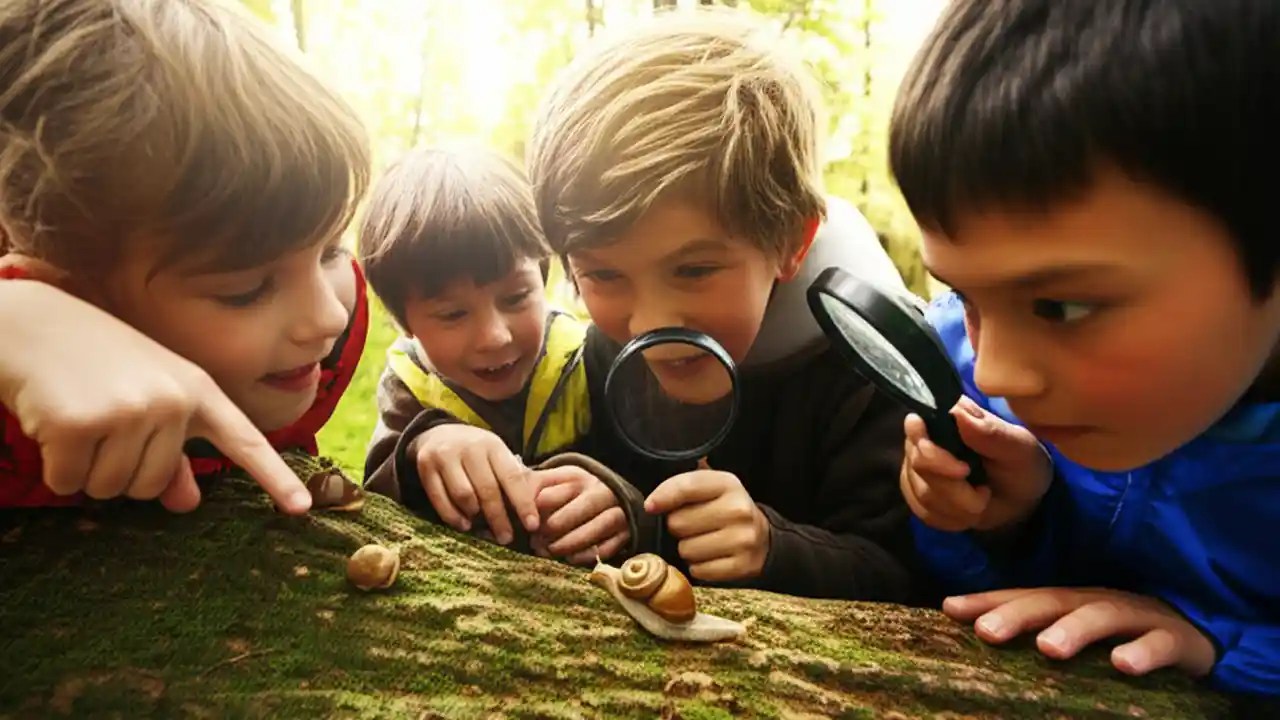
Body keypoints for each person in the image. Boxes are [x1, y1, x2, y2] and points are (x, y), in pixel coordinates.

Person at [891, 0, 1280, 696]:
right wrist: (1003, 523)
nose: (995, 371)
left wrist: (1227, 645)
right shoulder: (959, 367)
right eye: (968, 298)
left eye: (1061, 307)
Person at [525, 9, 922, 602]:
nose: (649, 324)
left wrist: (775, 548)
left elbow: (910, 574)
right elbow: (618, 482)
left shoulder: (875, 367)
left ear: (791, 241)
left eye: (694, 269)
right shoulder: (606, 348)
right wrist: (614, 505)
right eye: (604, 275)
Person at [0, 0, 371, 514]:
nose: (328, 316)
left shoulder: (305, 343)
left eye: (330, 250)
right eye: (246, 291)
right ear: (74, 296)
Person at [359, 145, 630, 566]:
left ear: (543, 278)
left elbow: (656, 482)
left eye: (517, 297)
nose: (494, 337)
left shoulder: (595, 362)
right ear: (404, 322)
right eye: (452, 314)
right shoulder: (410, 389)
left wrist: (622, 503)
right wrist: (421, 446)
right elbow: (375, 502)